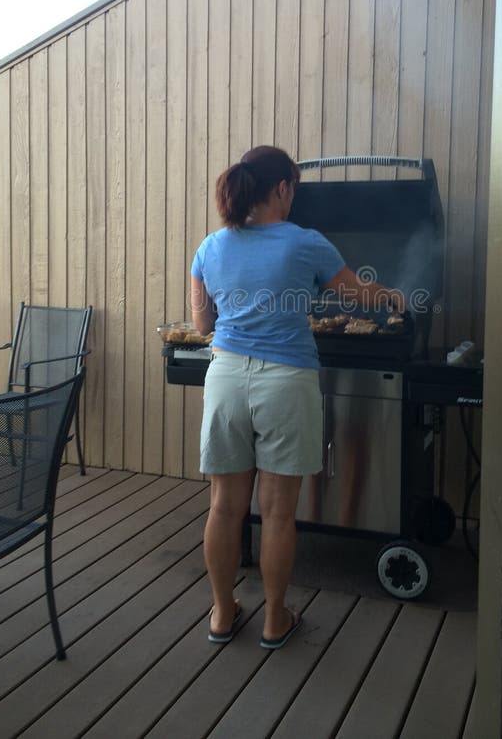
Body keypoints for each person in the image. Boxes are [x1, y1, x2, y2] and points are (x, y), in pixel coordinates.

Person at [190, 145, 405, 649]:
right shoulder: (304, 242)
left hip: (224, 379)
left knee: (223, 507)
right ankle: (274, 620)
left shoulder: (210, 247)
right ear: (283, 189)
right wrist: (393, 294)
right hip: (285, 381)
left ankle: (222, 615)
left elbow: (202, 324)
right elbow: (356, 293)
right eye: (294, 190)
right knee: (279, 512)